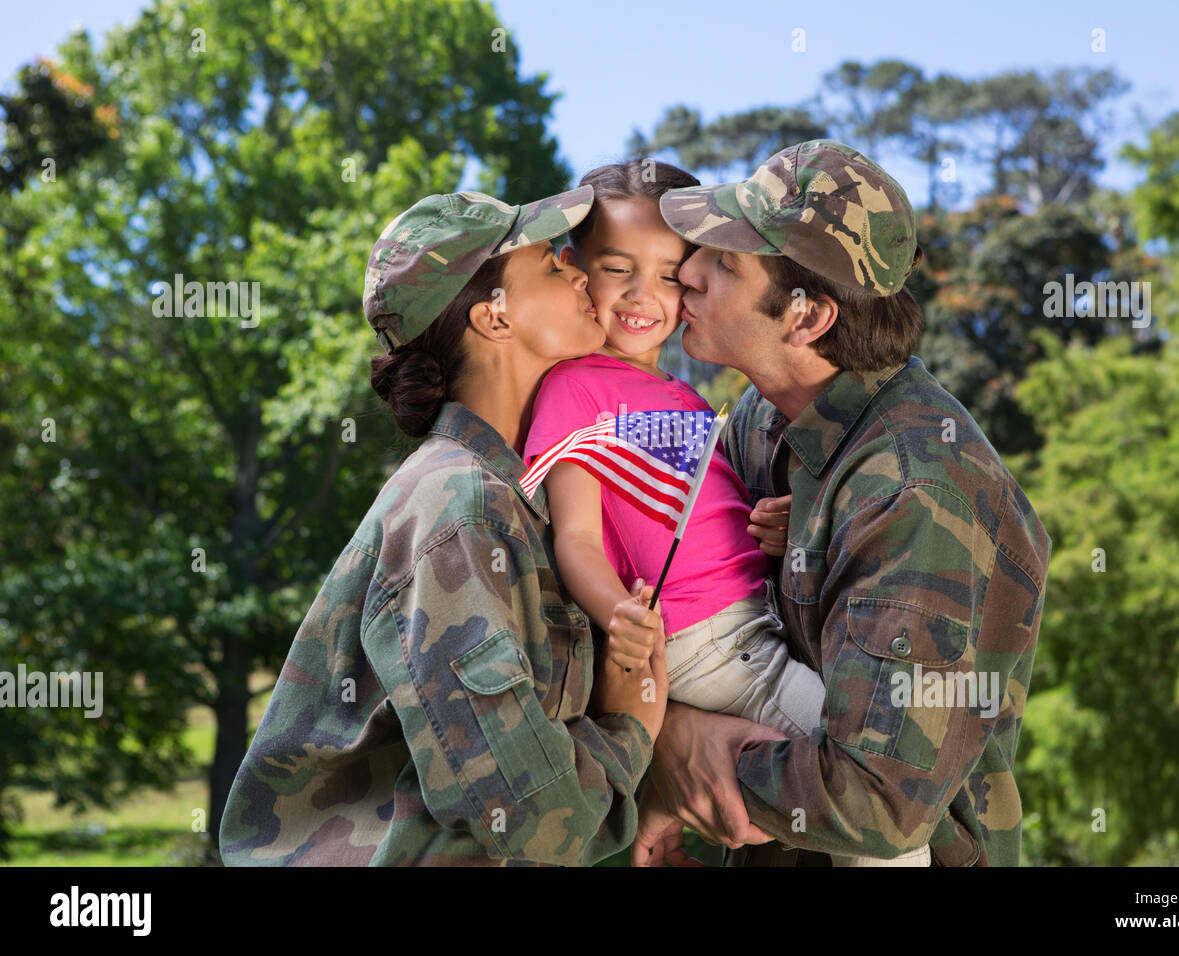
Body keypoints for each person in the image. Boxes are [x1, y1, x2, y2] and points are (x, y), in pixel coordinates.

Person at [631, 139, 1052, 867]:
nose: (688, 271)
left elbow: (875, 801)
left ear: (807, 318)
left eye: (726, 263)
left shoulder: (915, 491)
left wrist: (673, 746)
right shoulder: (763, 420)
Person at [219, 186, 668, 866]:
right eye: (550, 264)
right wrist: (630, 729)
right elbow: (531, 820)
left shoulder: (525, 494)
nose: (580, 270)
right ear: (494, 316)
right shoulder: (459, 505)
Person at [523, 160, 824, 740]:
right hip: (704, 635)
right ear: (574, 268)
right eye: (617, 268)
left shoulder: (680, 394)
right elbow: (578, 536)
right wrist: (619, 614)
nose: (644, 296)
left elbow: (703, 514)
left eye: (669, 276)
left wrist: (769, 530)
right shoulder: (575, 387)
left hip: (754, 616)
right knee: (853, 740)